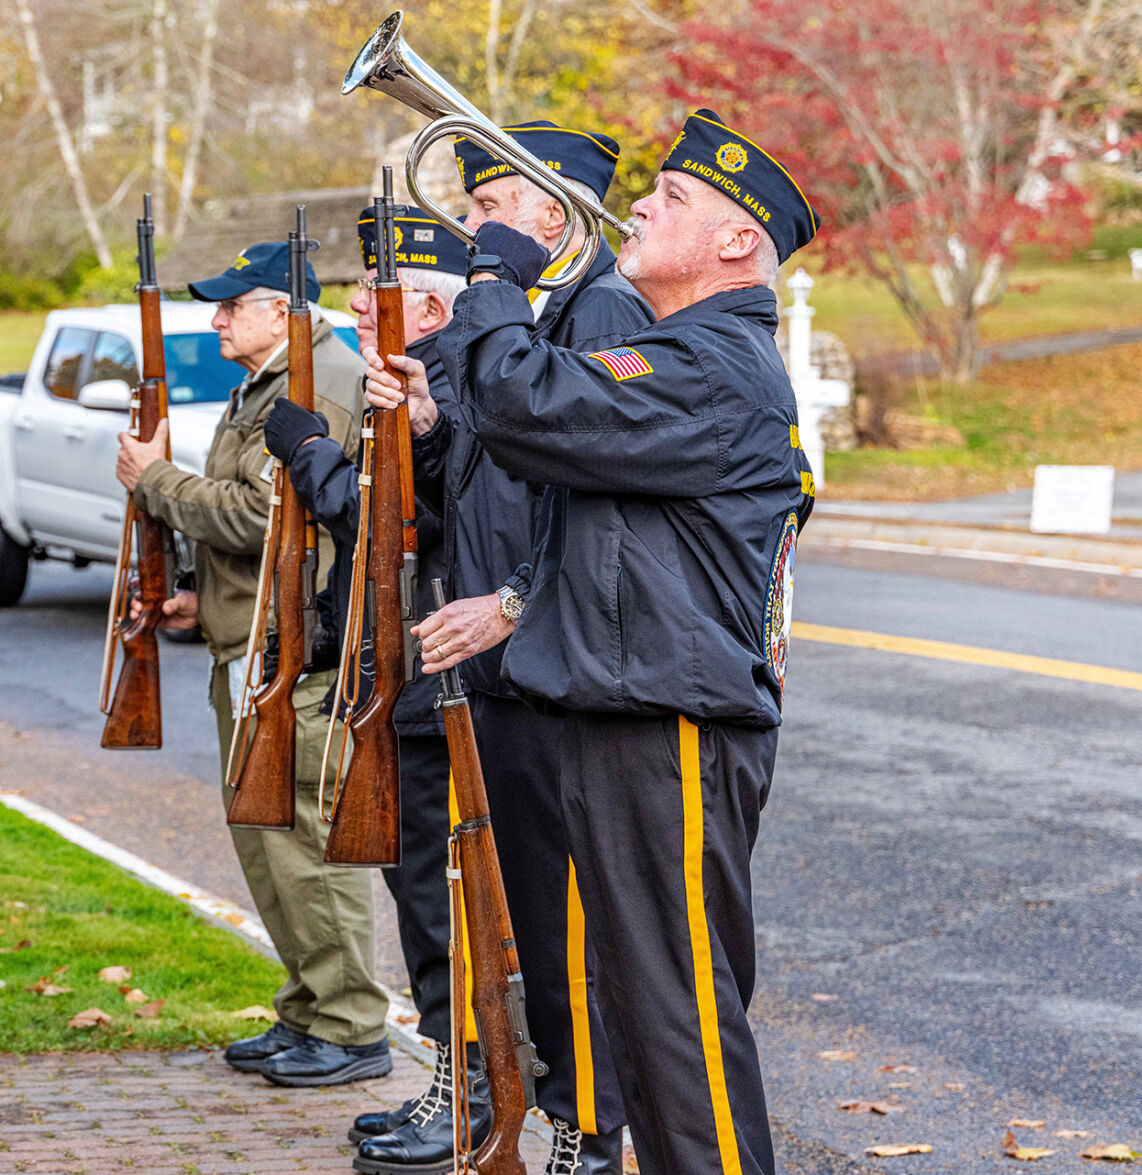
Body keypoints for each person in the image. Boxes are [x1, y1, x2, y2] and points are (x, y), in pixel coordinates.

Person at [371, 108, 820, 1175]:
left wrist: (491, 275)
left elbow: (529, 403)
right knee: (647, 1013)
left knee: (679, 1020)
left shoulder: (713, 361)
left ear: (735, 242)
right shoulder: (680, 350)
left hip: (668, 722)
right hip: (628, 709)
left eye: (671, 198)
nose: (640, 207)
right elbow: (536, 461)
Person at [363, 122, 651, 1174]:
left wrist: (516, 603)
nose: (470, 224)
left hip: (552, 669)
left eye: (489, 207)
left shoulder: (601, 310)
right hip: (503, 673)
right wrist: (429, 427)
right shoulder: (525, 313)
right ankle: (543, 1115)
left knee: (570, 937)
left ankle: (588, 1136)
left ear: (551, 213)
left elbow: (604, 506)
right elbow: (485, 494)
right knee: (520, 922)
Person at [114, 241, 391, 1086]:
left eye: (233, 305)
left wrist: (153, 478)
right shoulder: (266, 383)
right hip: (250, 638)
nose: (217, 320)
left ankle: (350, 1026)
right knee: (265, 841)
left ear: (281, 310)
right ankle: (309, 1008)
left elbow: (260, 513)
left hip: (297, 650)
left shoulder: (321, 381)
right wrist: (200, 599)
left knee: (303, 840)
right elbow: (261, 534)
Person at [260, 206, 478, 1175]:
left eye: (375, 290)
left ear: (426, 308)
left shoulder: (449, 384)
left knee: (441, 905)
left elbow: (397, 519)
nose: (353, 303)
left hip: (433, 678)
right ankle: (450, 1082)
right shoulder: (409, 380)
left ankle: (468, 1094)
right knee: (421, 900)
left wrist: (311, 456)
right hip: (396, 676)